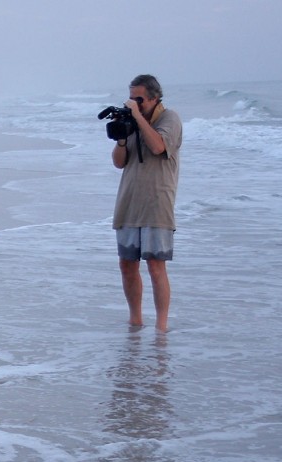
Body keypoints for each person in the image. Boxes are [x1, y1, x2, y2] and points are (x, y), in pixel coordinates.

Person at [111, 74, 182, 332]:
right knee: (127, 265)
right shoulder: (132, 122)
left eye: (139, 99)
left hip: (157, 203)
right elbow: (119, 162)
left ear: (154, 98)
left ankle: (161, 326)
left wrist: (138, 119)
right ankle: (135, 320)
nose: (134, 104)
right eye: (131, 98)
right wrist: (121, 136)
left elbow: (158, 147)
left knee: (155, 265)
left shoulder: (169, 118)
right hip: (129, 202)